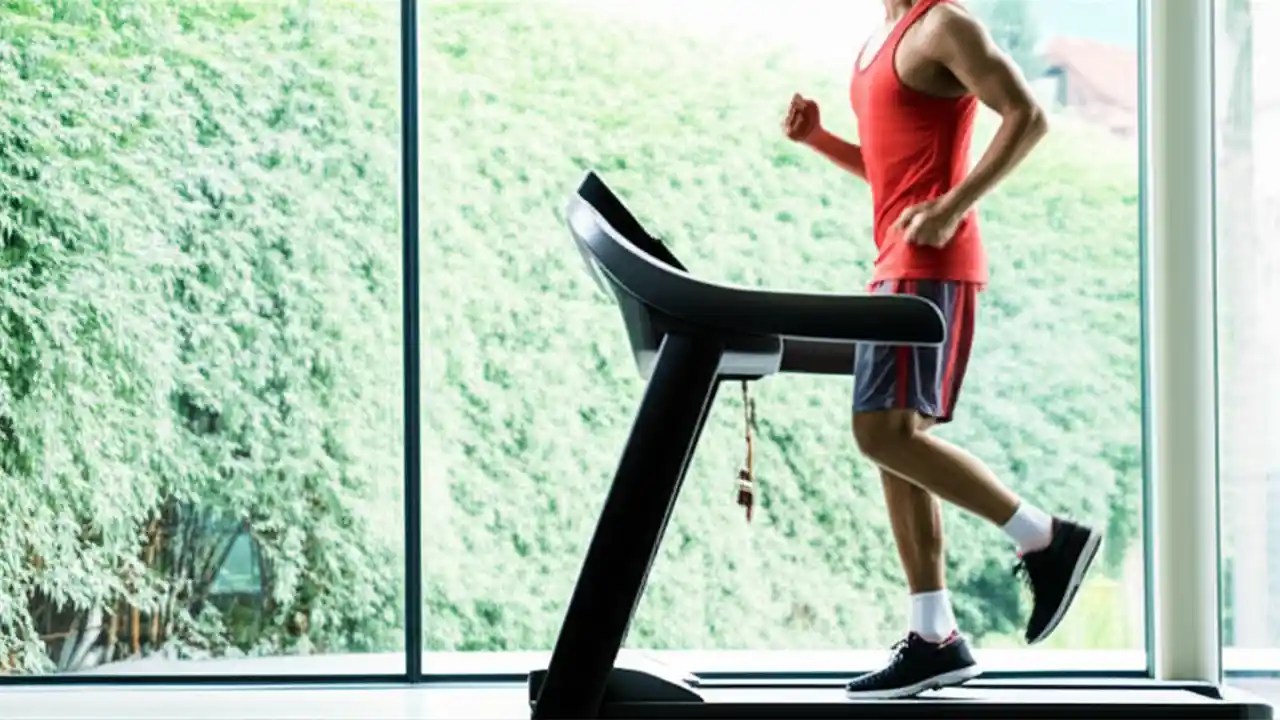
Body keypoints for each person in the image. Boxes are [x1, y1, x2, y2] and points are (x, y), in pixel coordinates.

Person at [781, 0, 1102, 700]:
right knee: (898, 446)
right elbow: (893, 174)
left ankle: (1045, 538)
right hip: (895, 260)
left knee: (882, 434)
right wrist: (821, 141)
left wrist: (954, 206)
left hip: (932, 262)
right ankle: (934, 637)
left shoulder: (945, 24)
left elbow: (1028, 116)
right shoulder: (880, 40)